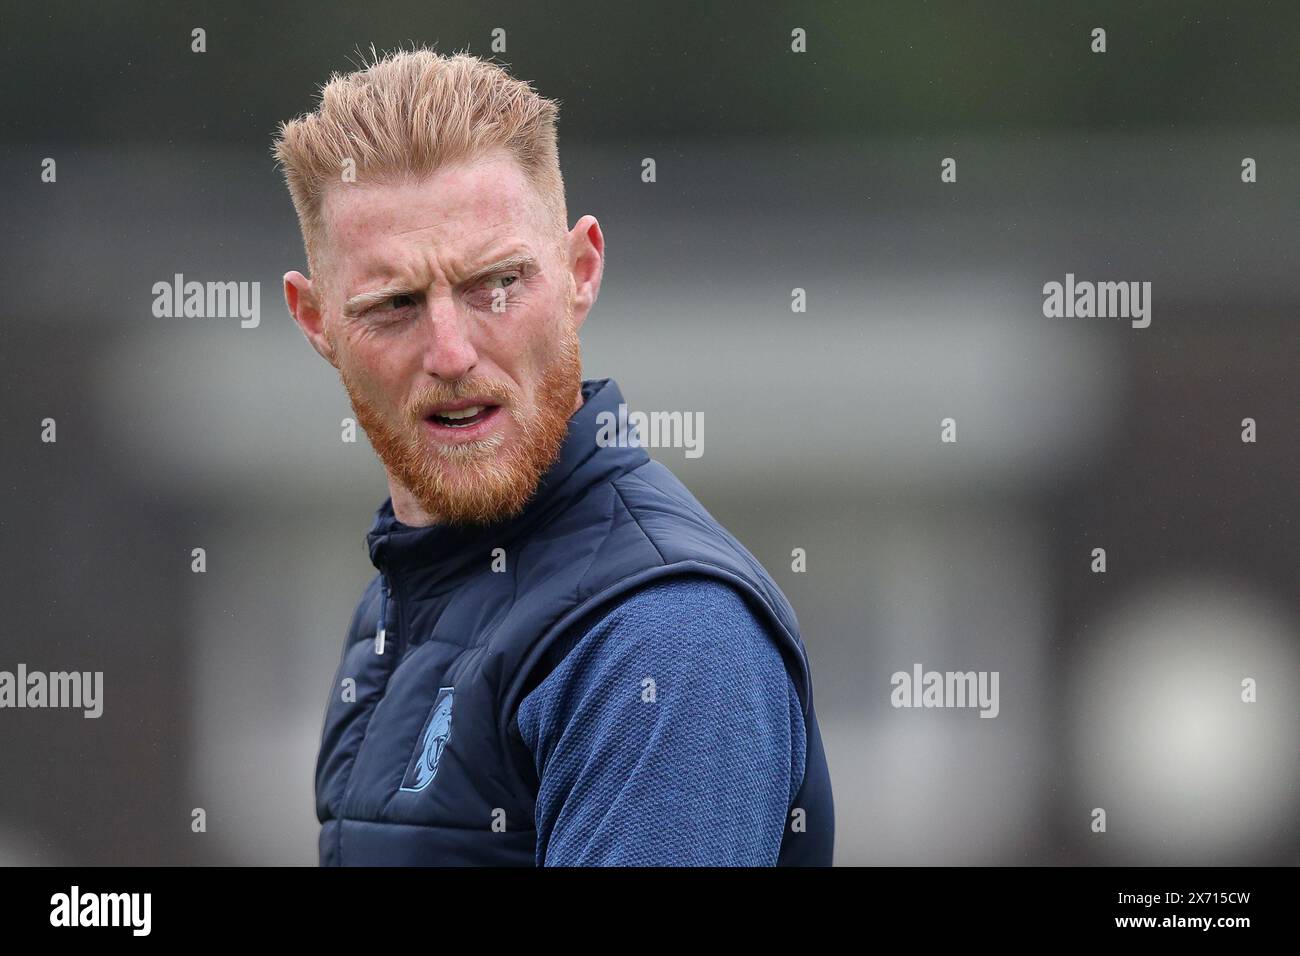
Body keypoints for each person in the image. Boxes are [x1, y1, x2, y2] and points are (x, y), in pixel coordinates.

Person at [273, 46, 833, 865]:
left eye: (495, 285)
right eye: (393, 305)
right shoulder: (400, 603)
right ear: (316, 321)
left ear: (581, 270)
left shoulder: (665, 638)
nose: (452, 351)